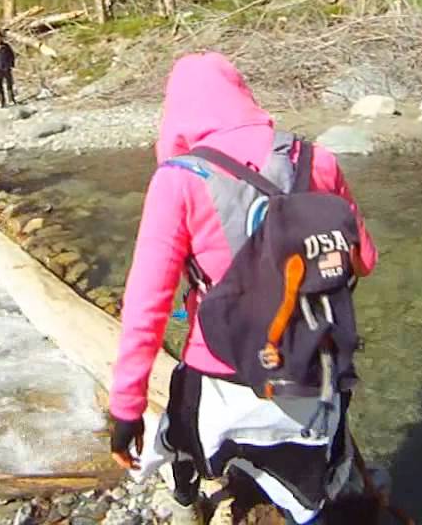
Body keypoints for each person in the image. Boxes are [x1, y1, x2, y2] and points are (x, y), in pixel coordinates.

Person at [107, 53, 378, 524]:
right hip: (313, 368)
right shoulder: (317, 159)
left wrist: (126, 408)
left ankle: (191, 489)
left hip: (223, 378)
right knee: (311, 497)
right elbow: (364, 262)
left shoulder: (180, 179)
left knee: (183, 433)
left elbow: (146, 307)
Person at [0, 36, 16, 107]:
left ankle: (11, 100)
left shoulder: (6, 46)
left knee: (9, 84)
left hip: (6, 68)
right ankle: (2, 102)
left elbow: (12, 55)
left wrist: (11, 65)